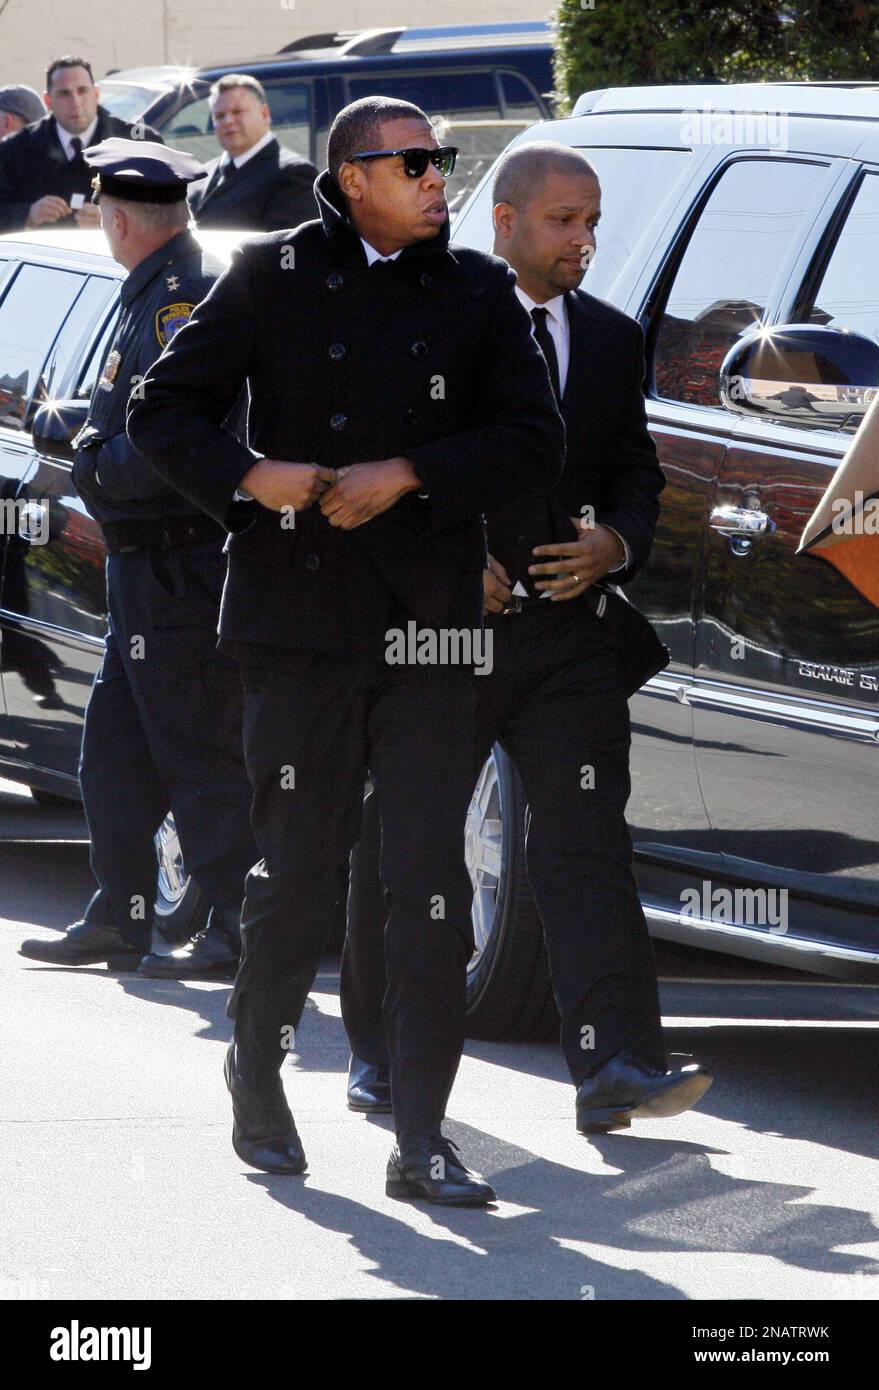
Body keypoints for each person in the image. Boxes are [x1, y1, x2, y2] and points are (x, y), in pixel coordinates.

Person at [128, 97, 565, 1206]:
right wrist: (250, 478)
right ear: (355, 175)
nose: (437, 180)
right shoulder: (271, 273)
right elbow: (161, 408)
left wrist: (410, 473)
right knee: (300, 876)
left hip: (430, 625)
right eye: (415, 163)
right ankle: (257, 1065)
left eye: (443, 162)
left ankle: (422, 1132)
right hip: (297, 624)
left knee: (426, 881)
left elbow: (532, 437)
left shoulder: (474, 289)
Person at [342, 142, 714, 1136]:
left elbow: (637, 472)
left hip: (568, 644)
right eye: (564, 221)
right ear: (503, 221)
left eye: (593, 222)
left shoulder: (606, 336)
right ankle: (382, 1057)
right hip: (441, 639)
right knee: (411, 846)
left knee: (587, 845)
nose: (585, 242)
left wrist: (615, 542)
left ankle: (615, 1065)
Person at [19, 139, 256, 981]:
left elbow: (169, 443)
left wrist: (88, 462)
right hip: (140, 567)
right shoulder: (154, 290)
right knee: (113, 750)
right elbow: (130, 407)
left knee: (195, 748)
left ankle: (234, 921)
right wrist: (91, 428)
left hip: (178, 563)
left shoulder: (179, 299)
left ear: (119, 220)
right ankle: (118, 912)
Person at [0, 56, 161, 233]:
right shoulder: (15, 149)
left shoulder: (139, 145)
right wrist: (28, 214)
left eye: (82, 91)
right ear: (48, 101)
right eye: (64, 94)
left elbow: (165, 214)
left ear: (96, 94)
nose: (75, 103)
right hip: (43, 258)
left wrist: (115, 219)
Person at [188, 74, 317, 232]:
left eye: (237, 111)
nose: (228, 121)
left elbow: (289, 252)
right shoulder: (202, 174)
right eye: (219, 116)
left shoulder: (292, 174)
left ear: (264, 114)